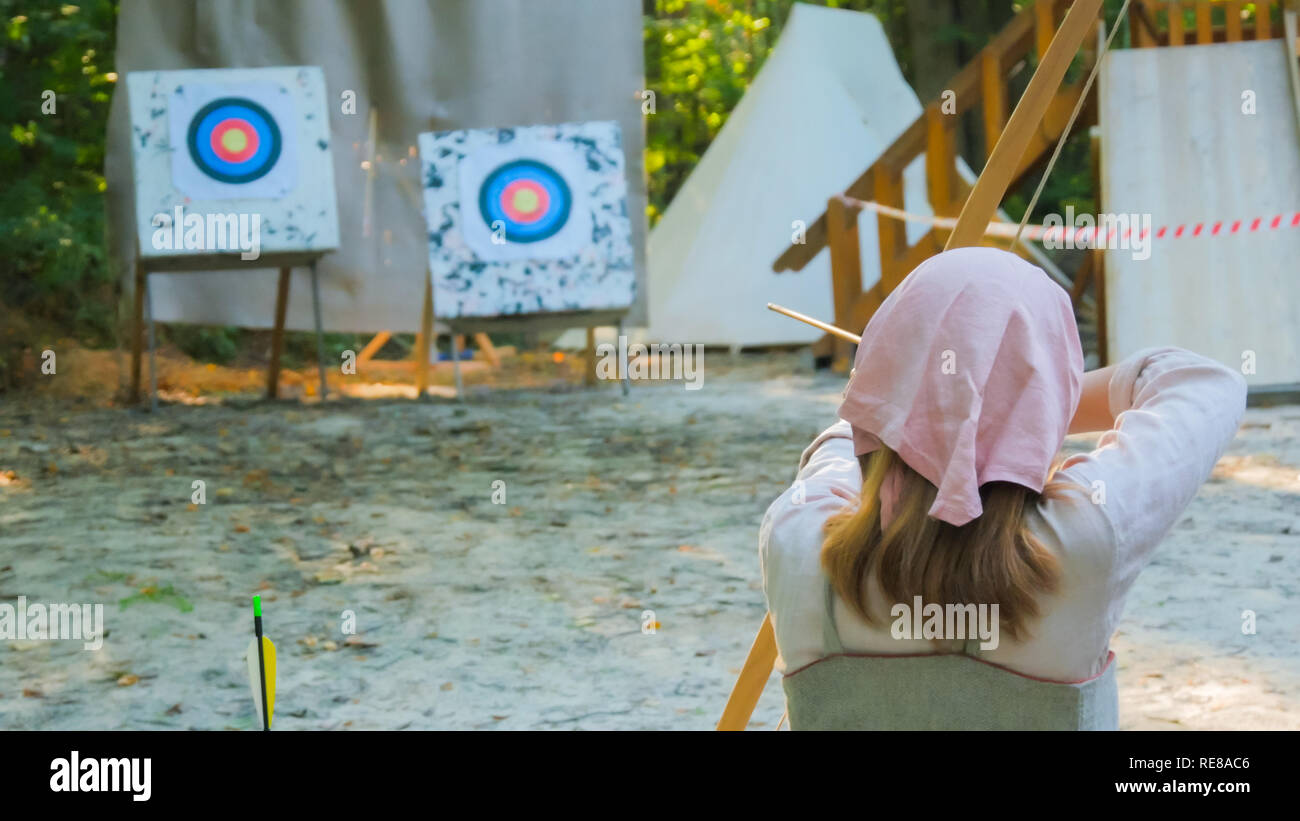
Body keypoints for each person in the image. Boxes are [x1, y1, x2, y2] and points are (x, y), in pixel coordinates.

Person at [759, 247, 1247, 729]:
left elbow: (855, 430)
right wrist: (1026, 405)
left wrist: (917, 384)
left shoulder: (795, 540)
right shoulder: (1078, 541)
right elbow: (1201, 382)